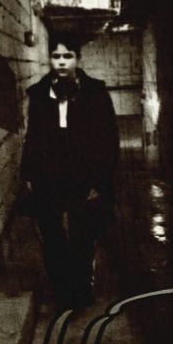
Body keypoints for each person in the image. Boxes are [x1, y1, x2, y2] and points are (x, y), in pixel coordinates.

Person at [19, 33, 119, 309]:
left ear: (78, 58)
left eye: (68, 56)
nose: (62, 62)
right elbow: (33, 136)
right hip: (47, 175)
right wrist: (27, 174)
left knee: (82, 235)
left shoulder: (96, 93)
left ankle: (81, 289)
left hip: (83, 175)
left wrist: (100, 181)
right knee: (51, 235)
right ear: (50, 59)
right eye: (56, 56)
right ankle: (62, 290)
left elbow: (109, 140)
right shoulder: (39, 94)